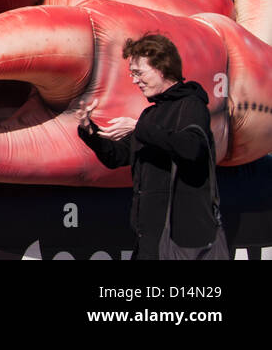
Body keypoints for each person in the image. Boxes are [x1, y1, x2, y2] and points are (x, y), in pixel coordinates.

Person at [74, 33, 222, 260]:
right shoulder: (150, 114)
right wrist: (89, 131)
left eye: (138, 73)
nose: (134, 80)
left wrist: (138, 128)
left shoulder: (191, 105)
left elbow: (192, 148)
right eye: (132, 73)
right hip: (149, 238)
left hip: (180, 240)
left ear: (162, 69)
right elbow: (117, 156)